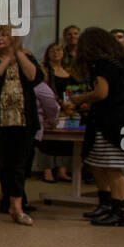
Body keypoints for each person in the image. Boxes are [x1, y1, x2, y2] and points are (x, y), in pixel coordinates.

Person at [69, 27, 124, 226]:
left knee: (114, 166)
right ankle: (110, 206)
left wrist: (80, 99)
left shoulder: (102, 64)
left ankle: (119, 212)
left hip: (118, 121)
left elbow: (101, 93)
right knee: (102, 162)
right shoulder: (123, 63)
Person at [0, 26, 43, 225]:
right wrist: (6, 59)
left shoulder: (25, 59)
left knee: (18, 166)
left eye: (4, 35)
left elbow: (34, 77)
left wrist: (17, 52)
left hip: (22, 122)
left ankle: (16, 207)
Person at [36, 42, 74, 183]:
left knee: (64, 142)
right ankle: (47, 172)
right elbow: (45, 91)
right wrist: (60, 103)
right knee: (47, 142)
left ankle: (62, 171)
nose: (56, 53)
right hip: (49, 107)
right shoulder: (44, 70)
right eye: (52, 51)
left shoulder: (69, 70)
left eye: (59, 50)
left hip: (67, 110)